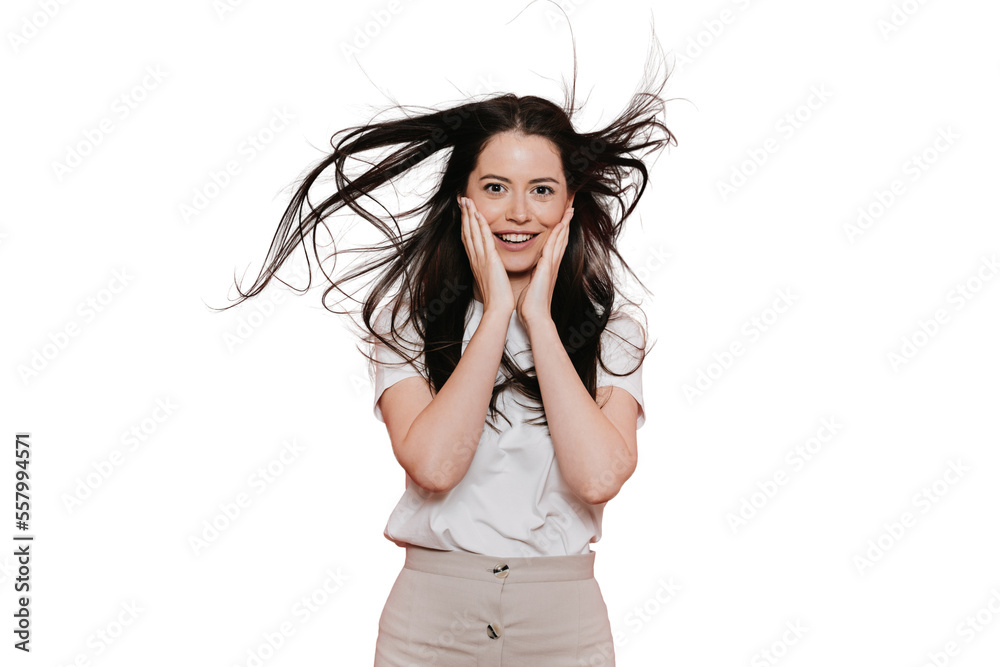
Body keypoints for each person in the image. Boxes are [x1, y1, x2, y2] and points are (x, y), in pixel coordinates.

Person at [216, 25, 675, 666]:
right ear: (463, 198)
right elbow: (434, 467)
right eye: (495, 188)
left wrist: (539, 319)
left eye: (541, 190)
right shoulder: (409, 319)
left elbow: (599, 477)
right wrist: (493, 318)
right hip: (432, 619)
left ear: (570, 202)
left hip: (562, 621)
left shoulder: (613, 328)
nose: (519, 212)